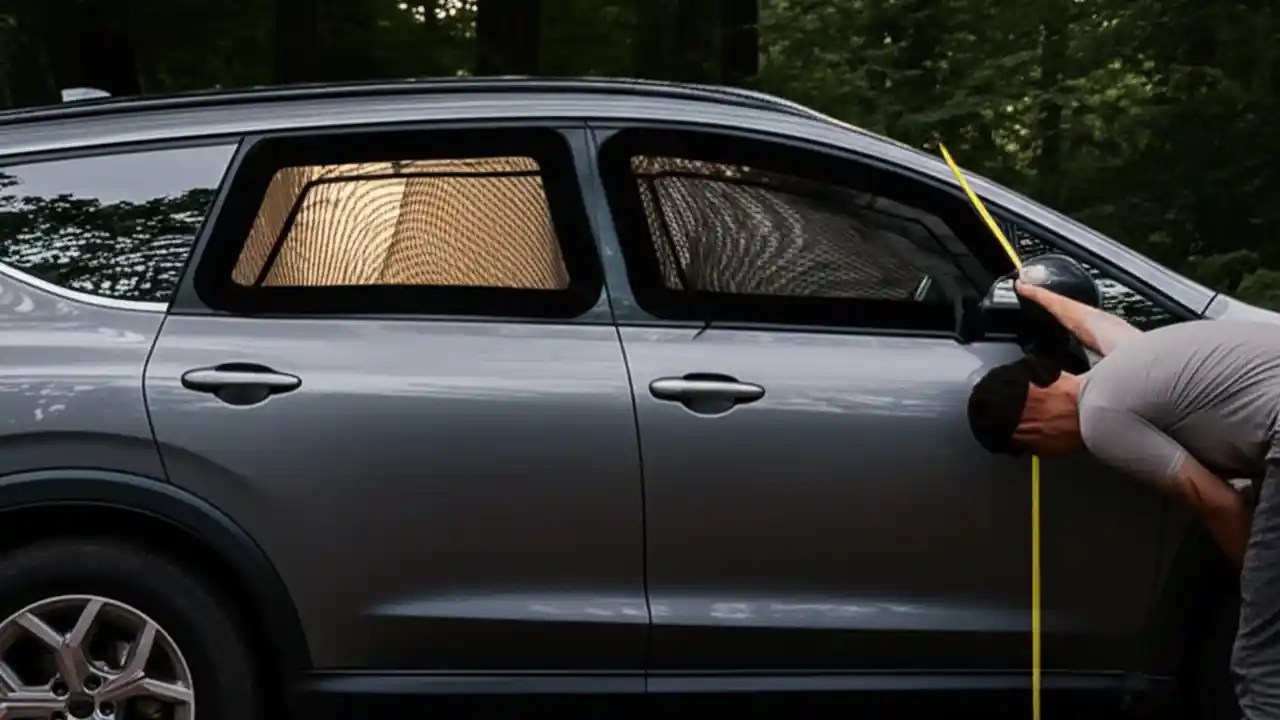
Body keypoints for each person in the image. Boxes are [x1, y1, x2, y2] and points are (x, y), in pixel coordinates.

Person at [966, 273, 1280, 719]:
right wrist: (1033, 291)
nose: (1047, 457)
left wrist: (1260, 590)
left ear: (1028, 428)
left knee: (1261, 662)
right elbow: (1092, 321)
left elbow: (1220, 504)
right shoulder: (1128, 358)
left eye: (1032, 452)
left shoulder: (1100, 418)